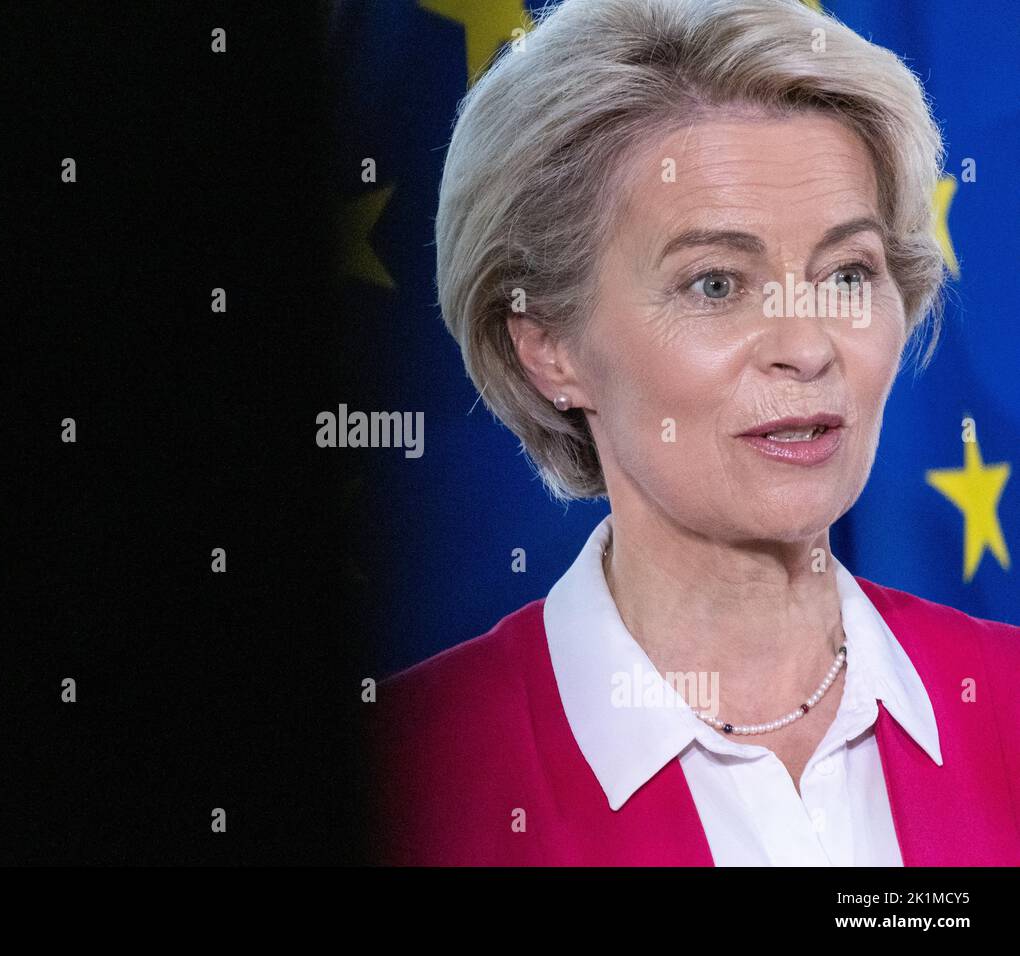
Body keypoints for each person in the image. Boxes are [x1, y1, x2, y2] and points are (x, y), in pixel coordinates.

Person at [367, 0, 1020, 866]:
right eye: (715, 284)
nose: (806, 345)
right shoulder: (404, 781)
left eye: (848, 272)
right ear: (548, 347)